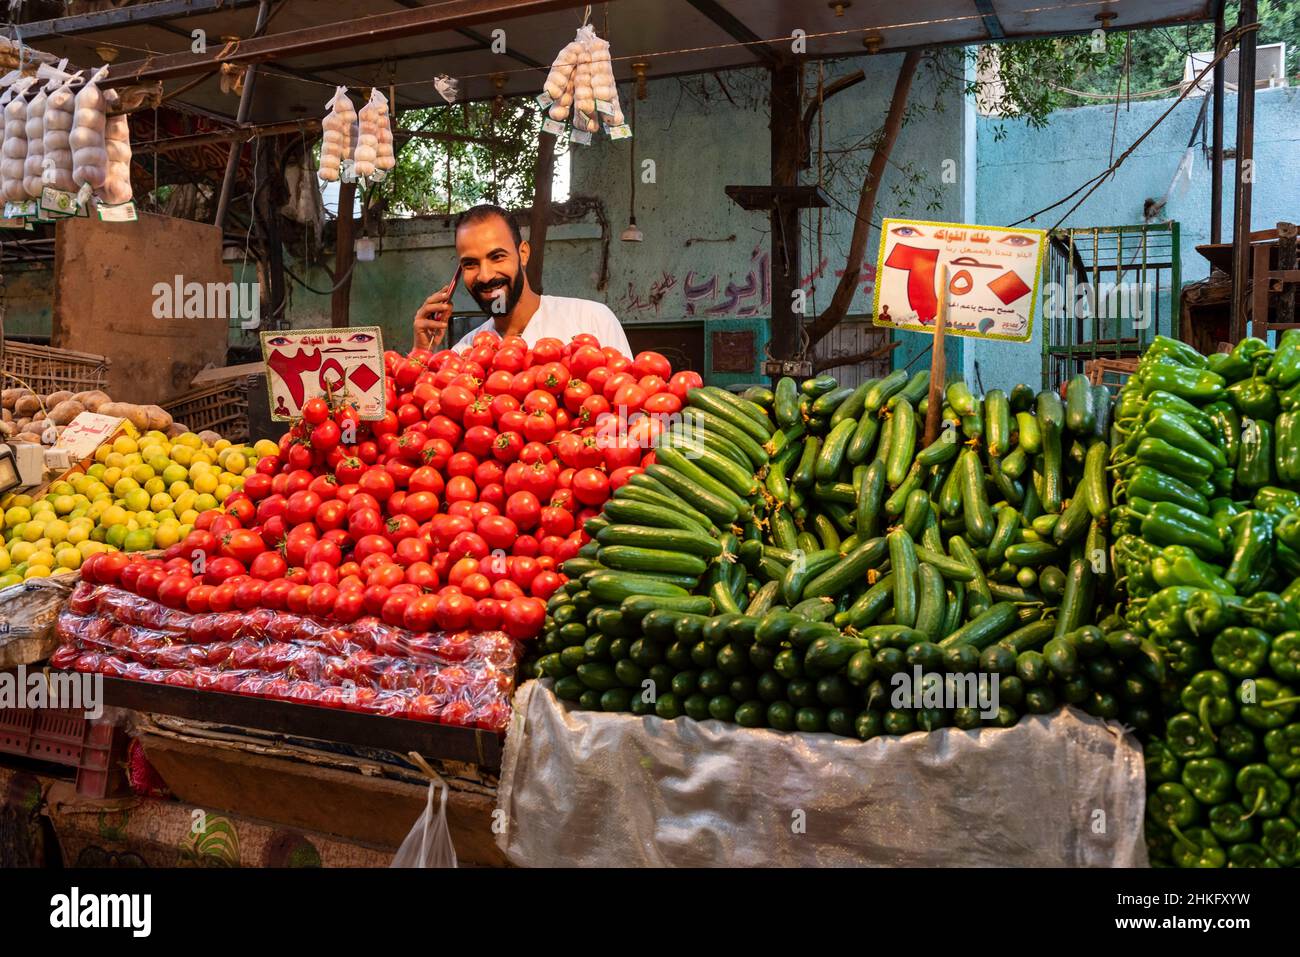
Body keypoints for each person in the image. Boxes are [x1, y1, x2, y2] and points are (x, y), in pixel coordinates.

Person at [412, 203, 632, 356]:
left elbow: (630, 411)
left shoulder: (592, 320)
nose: (486, 275)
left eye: (497, 257)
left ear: (523, 254)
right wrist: (421, 352)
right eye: (470, 264)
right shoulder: (463, 353)